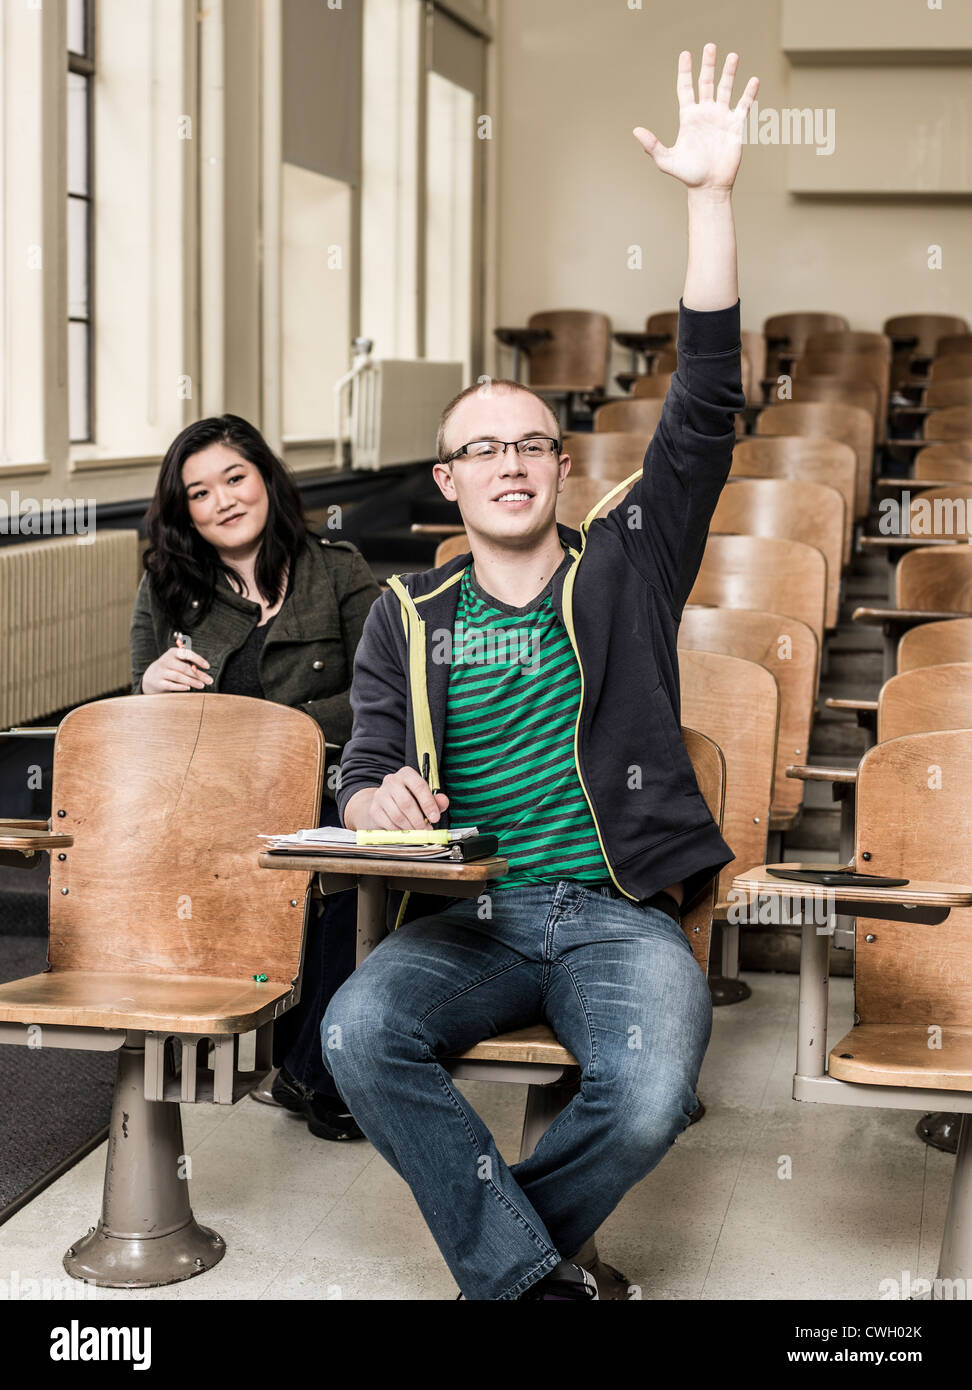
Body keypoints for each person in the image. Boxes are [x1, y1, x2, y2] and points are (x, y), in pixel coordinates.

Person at [323, 44, 757, 1300]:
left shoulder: (629, 558)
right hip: (469, 916)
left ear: (561, 469)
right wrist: (366, 802)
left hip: (616, 912)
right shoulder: (407, 610)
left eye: (533, 443)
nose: (511, 464)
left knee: (653, 1094)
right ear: (446, 481)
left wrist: (709, 198)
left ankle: (502, 1270)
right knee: (357, 1032)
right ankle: (538, 1279)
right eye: (481, 450)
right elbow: (359, 767)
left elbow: (709, 397)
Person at [130, 413, 381, 1141]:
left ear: (265, 477)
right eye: (200, 493)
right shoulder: (166, 585)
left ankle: (311, 1072)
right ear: (185, 512)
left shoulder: (336, 566)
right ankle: (296, 1065)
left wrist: (280, 730)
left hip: (331, 784)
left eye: (234, 478)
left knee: (345, 875)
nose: (223, 501)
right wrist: (150, 687)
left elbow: (380, 689)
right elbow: (139, 719)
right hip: (215, 795)